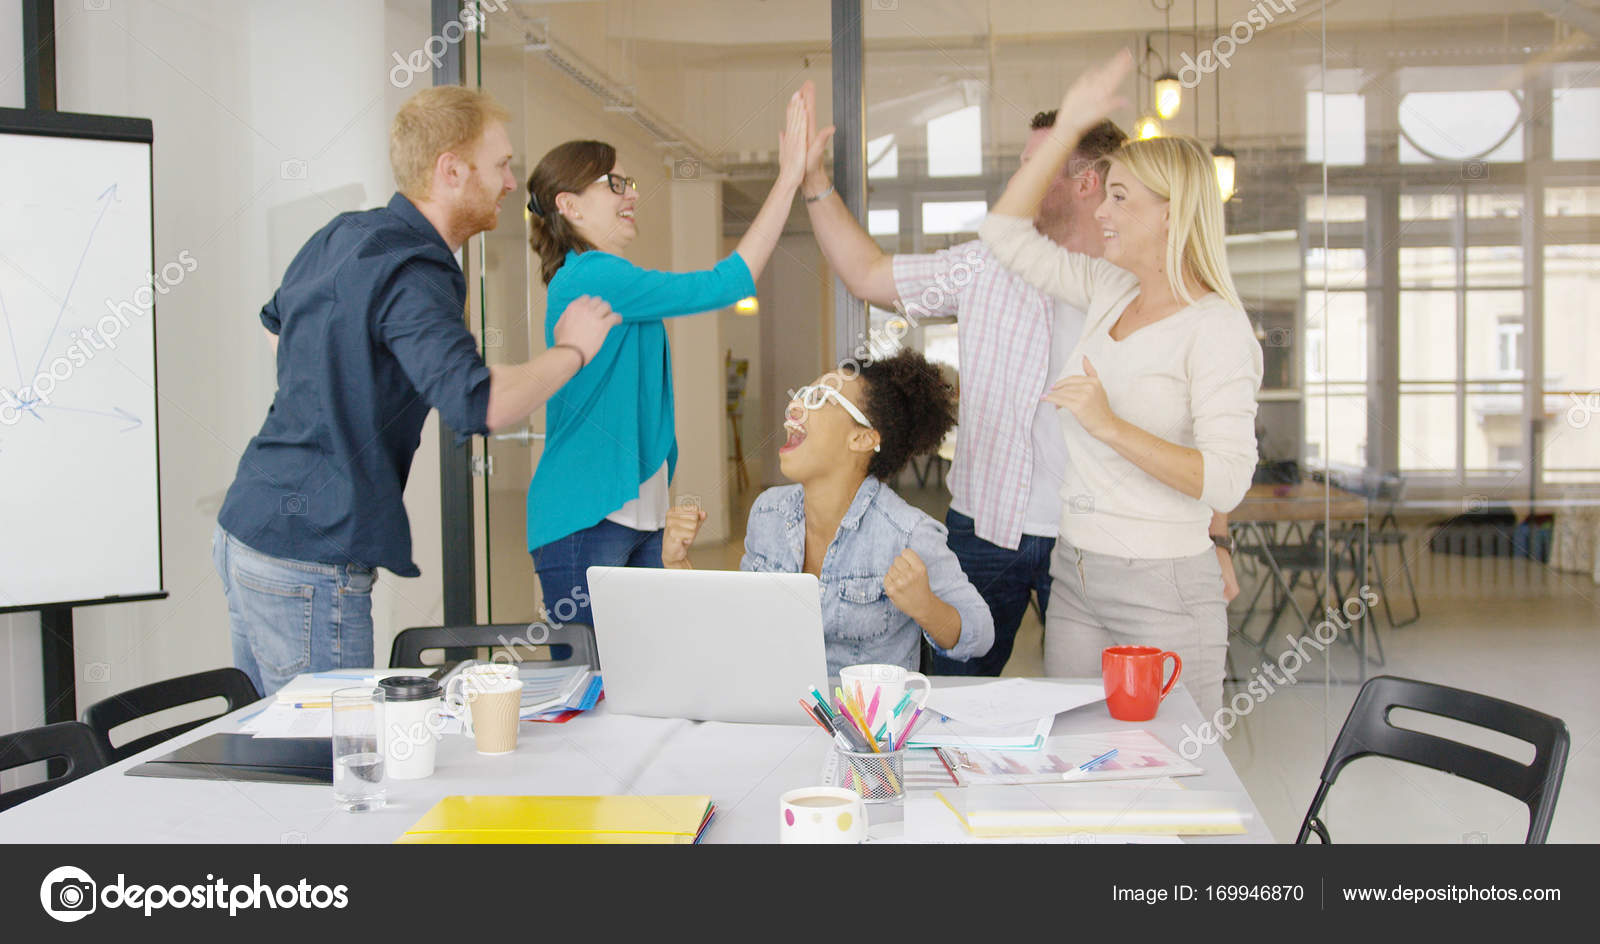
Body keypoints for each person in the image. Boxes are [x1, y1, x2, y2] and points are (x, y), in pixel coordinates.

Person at [795, 87, 1238, 677]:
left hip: (1092, 545)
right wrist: (813, 183)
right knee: (952, 696)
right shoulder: (988, 264)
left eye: (1034, 164)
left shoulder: (1136, 284)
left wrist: (1218, 540)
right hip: (987, 530)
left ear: (1084, 181)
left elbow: (1198, 427)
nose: (1018, 179)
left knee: (1093, 714)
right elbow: (867, 274)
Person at [214, 86, 619, 696]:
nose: (513, 183)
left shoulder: (345, 233)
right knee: (338, 759)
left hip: (247, 528)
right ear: (451, 171)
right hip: (309, 559)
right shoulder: (418, 269)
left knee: (280, 749)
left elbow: (277, 330)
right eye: (502, 164)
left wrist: (341, 401)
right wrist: (575, 348)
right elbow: (483, 403)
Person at [977, 50, 1263, 720]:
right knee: (1077, 760)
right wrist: (1072, 125)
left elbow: (1225, 482)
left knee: (1176, 776)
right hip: (1076, 573)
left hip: (1162, 581)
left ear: (1173, 212)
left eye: (1120, 197)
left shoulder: (1215, 330)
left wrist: (1108, 425)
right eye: (1104, 192)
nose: (1100, 210)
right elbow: (1003, 236)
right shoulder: (1108, 288)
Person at [522, 84, 812, 628]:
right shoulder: (593, 274)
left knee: (634, 682)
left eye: (629, 183)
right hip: (588, 519)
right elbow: (730, 280)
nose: (631, 195)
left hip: (630, 519)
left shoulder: (604, 278)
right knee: (600, 687)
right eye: (616, 183)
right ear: (569, 204)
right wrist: (788, 178)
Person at [661, 350, 993, 676]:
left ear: (862, 438)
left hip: (864, 724)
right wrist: (679, 567)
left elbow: (980, 634)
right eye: (803, 395)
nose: (794, 407)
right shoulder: (768, 513)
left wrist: (926, 607)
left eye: (820, 399)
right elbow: (747, 623)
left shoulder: (907, 533)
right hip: (778, 710)